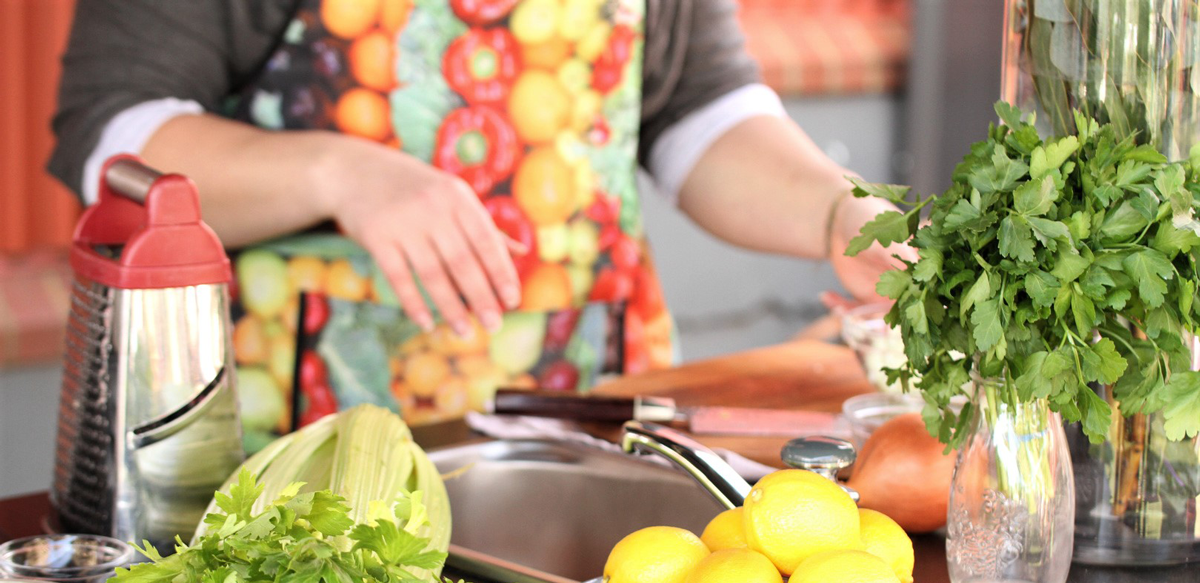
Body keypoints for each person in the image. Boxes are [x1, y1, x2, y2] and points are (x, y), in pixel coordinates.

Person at [50, 0, 911, 441]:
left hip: (586, 418)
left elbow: (697, 110)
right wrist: (337, 172)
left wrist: (836, 212)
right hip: (285, 443)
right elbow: (114, 135)